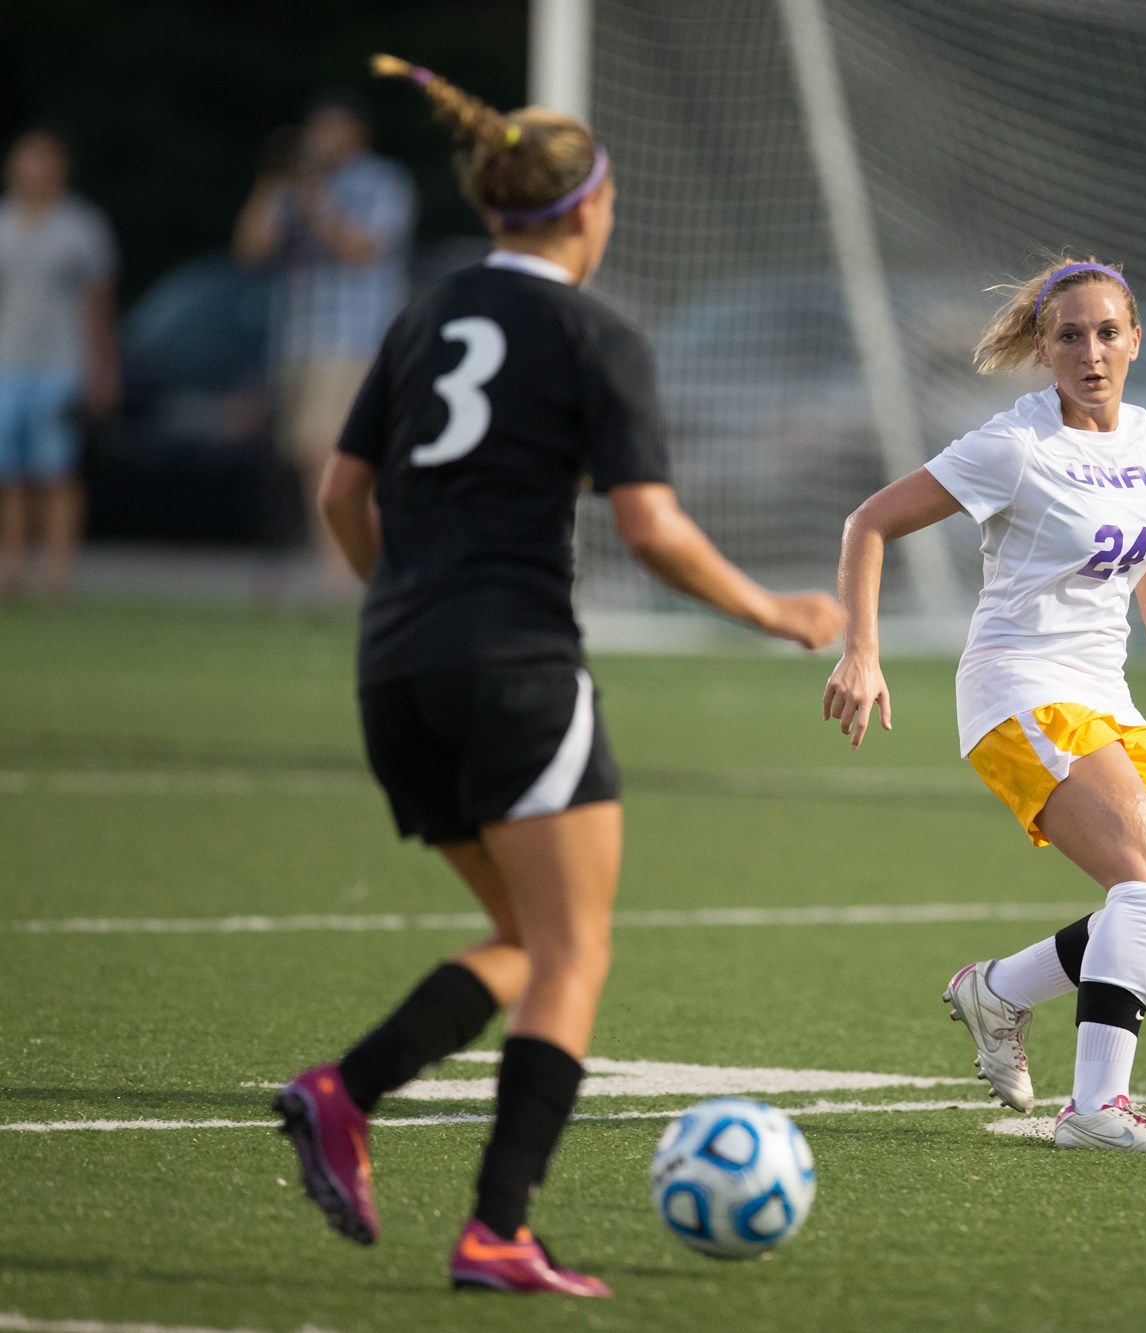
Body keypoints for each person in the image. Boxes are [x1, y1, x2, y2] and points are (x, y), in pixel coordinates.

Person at [271, 56, 842, 1297]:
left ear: (492, 208)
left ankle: (345, 1093)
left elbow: (340, 491)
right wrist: (775, 608)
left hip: (395, 670)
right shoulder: (595, 334)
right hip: (517, 665)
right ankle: (492, 1228)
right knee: (575, 951)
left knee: (529, 941)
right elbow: (648, 525)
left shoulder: (424, 314)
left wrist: (406, 607)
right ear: (592, 203)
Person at [824, 257, 1146, 1155]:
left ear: (1135, 339)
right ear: (1044, 349)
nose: (1090, 351)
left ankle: (1001, 990)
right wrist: (863, 650)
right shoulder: (1015, 445)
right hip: (1017, 689)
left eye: (1106, 332)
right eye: (1069, 335)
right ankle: (1096, 1109)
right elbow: (869, 521)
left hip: (1107, 694)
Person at [233, 90, 416, 601]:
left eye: (333, 129)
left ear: (357, 134)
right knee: (310, 457)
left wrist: (313, 194)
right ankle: (351, 568)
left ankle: (348, 574)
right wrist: (273, 180)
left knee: (333, 453)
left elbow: (357, 249)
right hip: (298, 339)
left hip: (353, 337)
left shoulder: (382, 182)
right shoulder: (293, 186)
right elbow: (249, 250)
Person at [0, 128, 119, 604]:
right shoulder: (4, 223)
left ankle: (57, 572)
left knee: (58, 473)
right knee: (9, 474)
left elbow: (98, 304)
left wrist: (102, 369)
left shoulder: (81, 227)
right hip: (7, 364)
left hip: (62, 366)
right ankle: (10, 567)